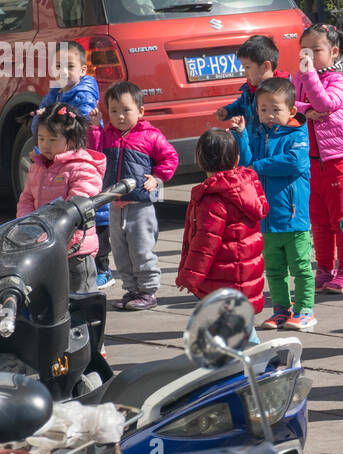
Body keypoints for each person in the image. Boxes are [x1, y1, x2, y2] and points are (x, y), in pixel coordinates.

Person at [235, 76, 316, 330]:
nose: (269, 115)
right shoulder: (258, 135)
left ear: (291, 110)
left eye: (275, 109)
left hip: (294, 218)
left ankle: (305, 310)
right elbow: (246, 162)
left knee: (301, 267)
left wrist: (257, 167)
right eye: (263, 109)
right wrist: (241, 137)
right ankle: (281, 309)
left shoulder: (298, 134)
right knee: (274, 270)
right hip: (266, 219)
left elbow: (294, 162)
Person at [90, 82, 179, 311]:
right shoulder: (106, 135)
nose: (120, 116)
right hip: (115, 205)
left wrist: (157, 178)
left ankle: (148, 290)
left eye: (126, 110)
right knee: (120, 251)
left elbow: (170, 158)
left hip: (140, 206)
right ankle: (132, 290)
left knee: (141, 249)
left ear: (140, 111)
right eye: (114, 111)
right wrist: (93, 128)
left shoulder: (151, 136)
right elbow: (94, 152)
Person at [292, 23, 343, 295]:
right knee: (317, 219)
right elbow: (288, 103)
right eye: (303, 50)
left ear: (334, 52)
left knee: (341, 218)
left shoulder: (342, 80)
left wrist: (309, 80)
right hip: (309, 159)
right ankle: (324, 267)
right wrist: (305, 109)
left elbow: (326, 104)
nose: (307, 56)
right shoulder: (300, 77)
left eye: (315, 50)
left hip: (338, 159)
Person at [176, 128, 268, 320]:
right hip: (245, 275)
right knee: (241, 326)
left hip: (223, 280)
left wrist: (190, 277)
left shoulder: (213, 199)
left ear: (200, 160)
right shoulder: (246, 187)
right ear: (236, 159)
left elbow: (205, 244)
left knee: (227, 331)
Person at [18, 103, 106, 293]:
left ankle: (84, 323)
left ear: (72, 140)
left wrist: (53, 228)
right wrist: (27, 223)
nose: (45, 145)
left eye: (52, 139)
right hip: (45, 245)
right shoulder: (38, 166)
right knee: (51, 298)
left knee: (80, 297)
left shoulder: (81, 167)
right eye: (41, 139)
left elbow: (78, 205)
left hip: (74, 248)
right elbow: (26, 198)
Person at [216, 34, 286, 162]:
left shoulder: (282, 92)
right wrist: (228, 111)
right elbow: (241, 104)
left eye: (247, 67)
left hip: (272, 150)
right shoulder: (250, 90)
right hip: (252, 145)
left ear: (266, 66)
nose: (245, 72)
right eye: (243, 68)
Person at [31, 41, 99, 136]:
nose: (63, 71)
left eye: (70, 66)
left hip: (77, 149)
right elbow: (38, 128)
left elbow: (83, 133)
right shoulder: (53, 95)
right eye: (58, 66)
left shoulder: (84, 97)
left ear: (82, 71)